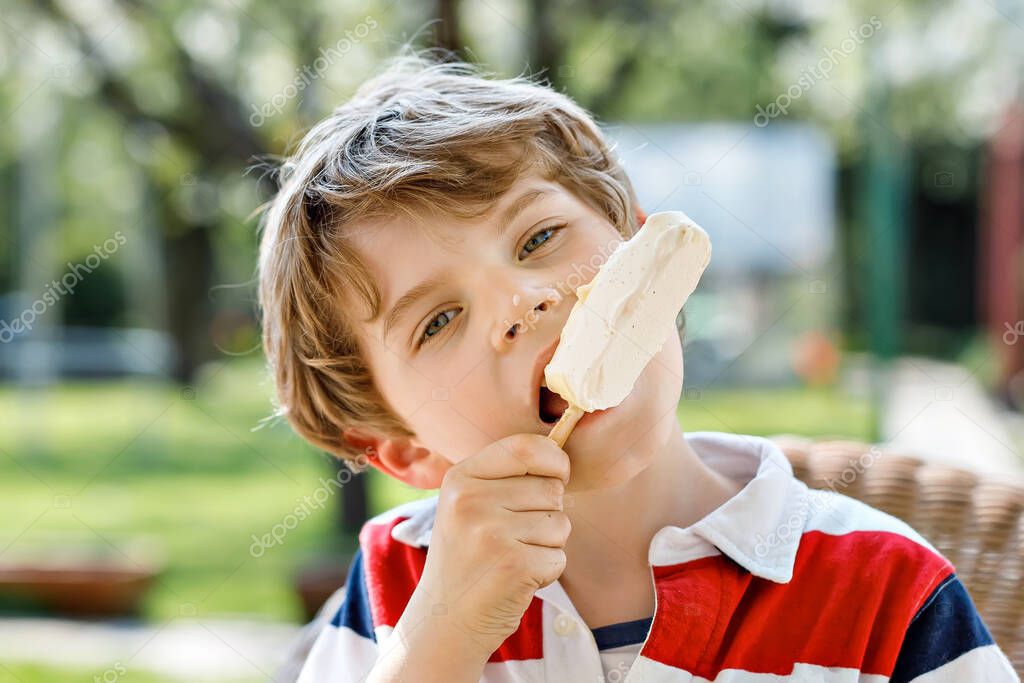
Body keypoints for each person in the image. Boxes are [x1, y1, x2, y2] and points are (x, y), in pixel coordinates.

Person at [256, 47, 1018, 682]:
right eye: (440, 319)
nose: (523, 302)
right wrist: (441, 637)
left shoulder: (887, 596)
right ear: (406, 449)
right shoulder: (397, 594)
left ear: (647, 259)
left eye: (536, 239)